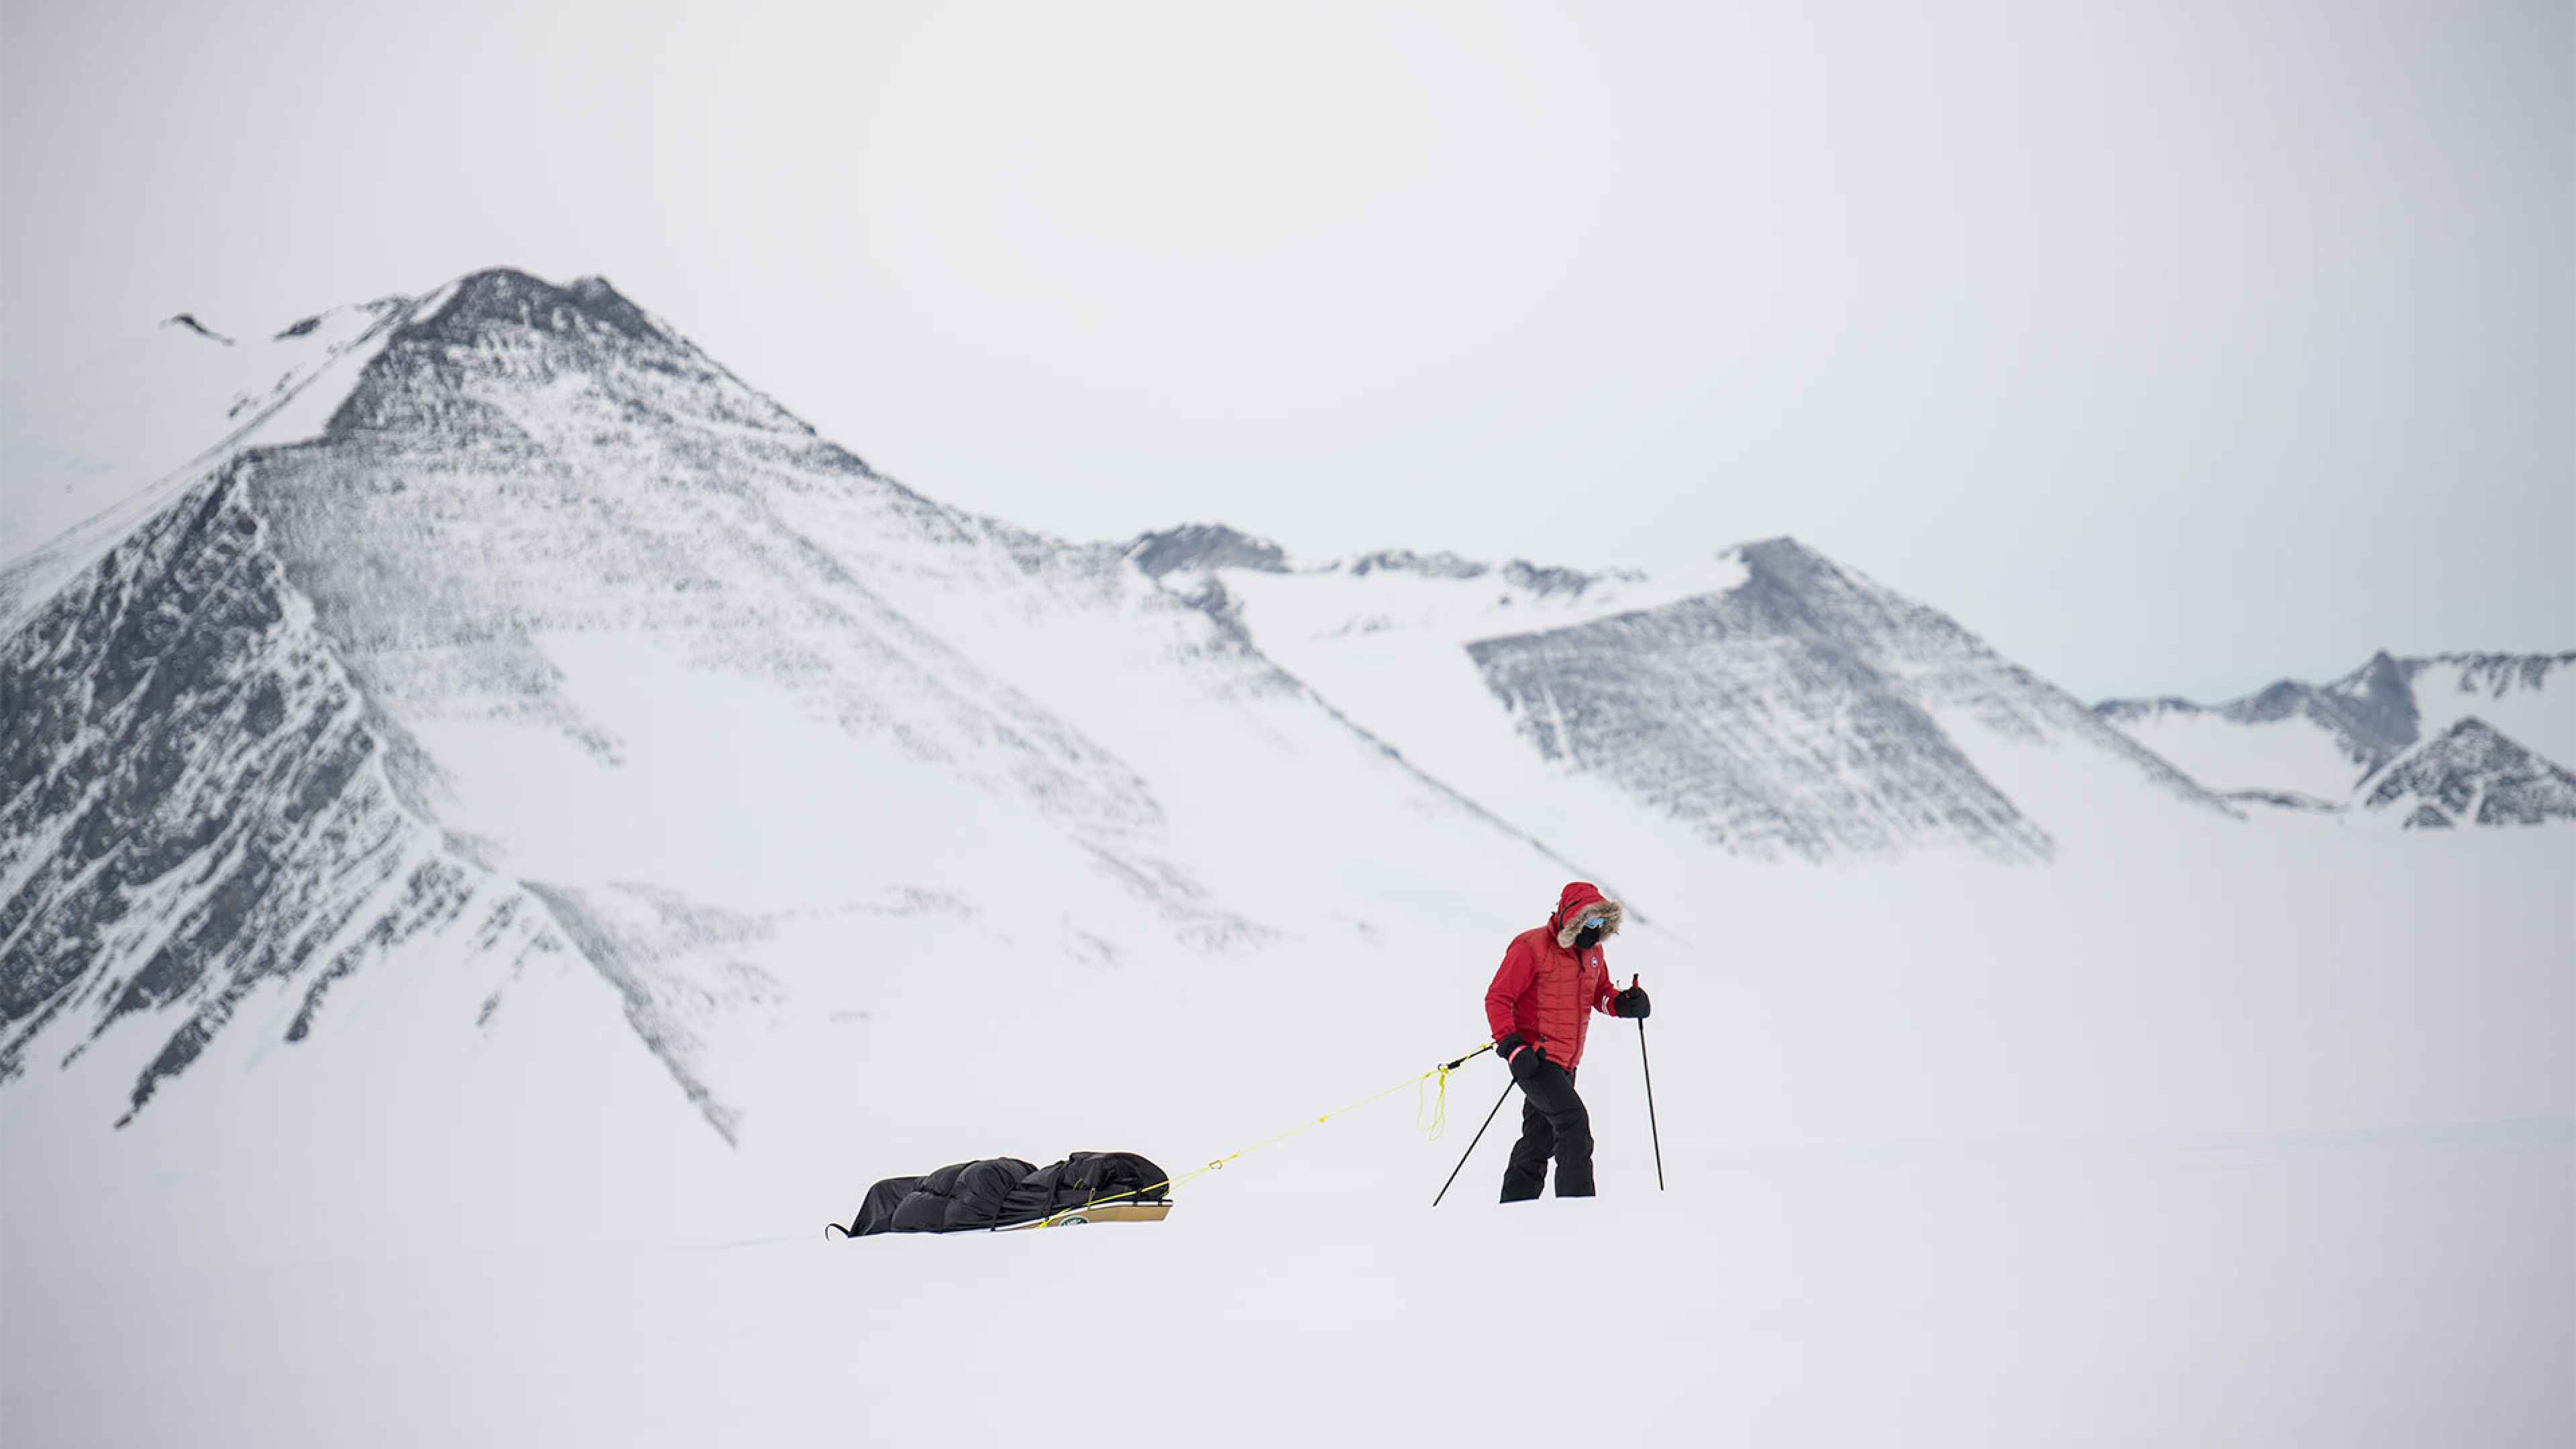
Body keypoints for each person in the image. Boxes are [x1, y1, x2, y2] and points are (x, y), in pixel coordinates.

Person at [1485, 881, 1650, 1201]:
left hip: (1567, 1063)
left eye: (1602, 922)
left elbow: (1600, 994)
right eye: (1590, 921)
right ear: (1572, 919)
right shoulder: (1530, 946)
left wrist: (1624, 1003)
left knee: (1538, 1140)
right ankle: (1578, 1212)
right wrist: (1513, 1047)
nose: (1597, 929)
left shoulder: (1593, 953)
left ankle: (1513, 1209)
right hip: (1536, 1059)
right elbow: (1498, 999)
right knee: (1574, 1128)